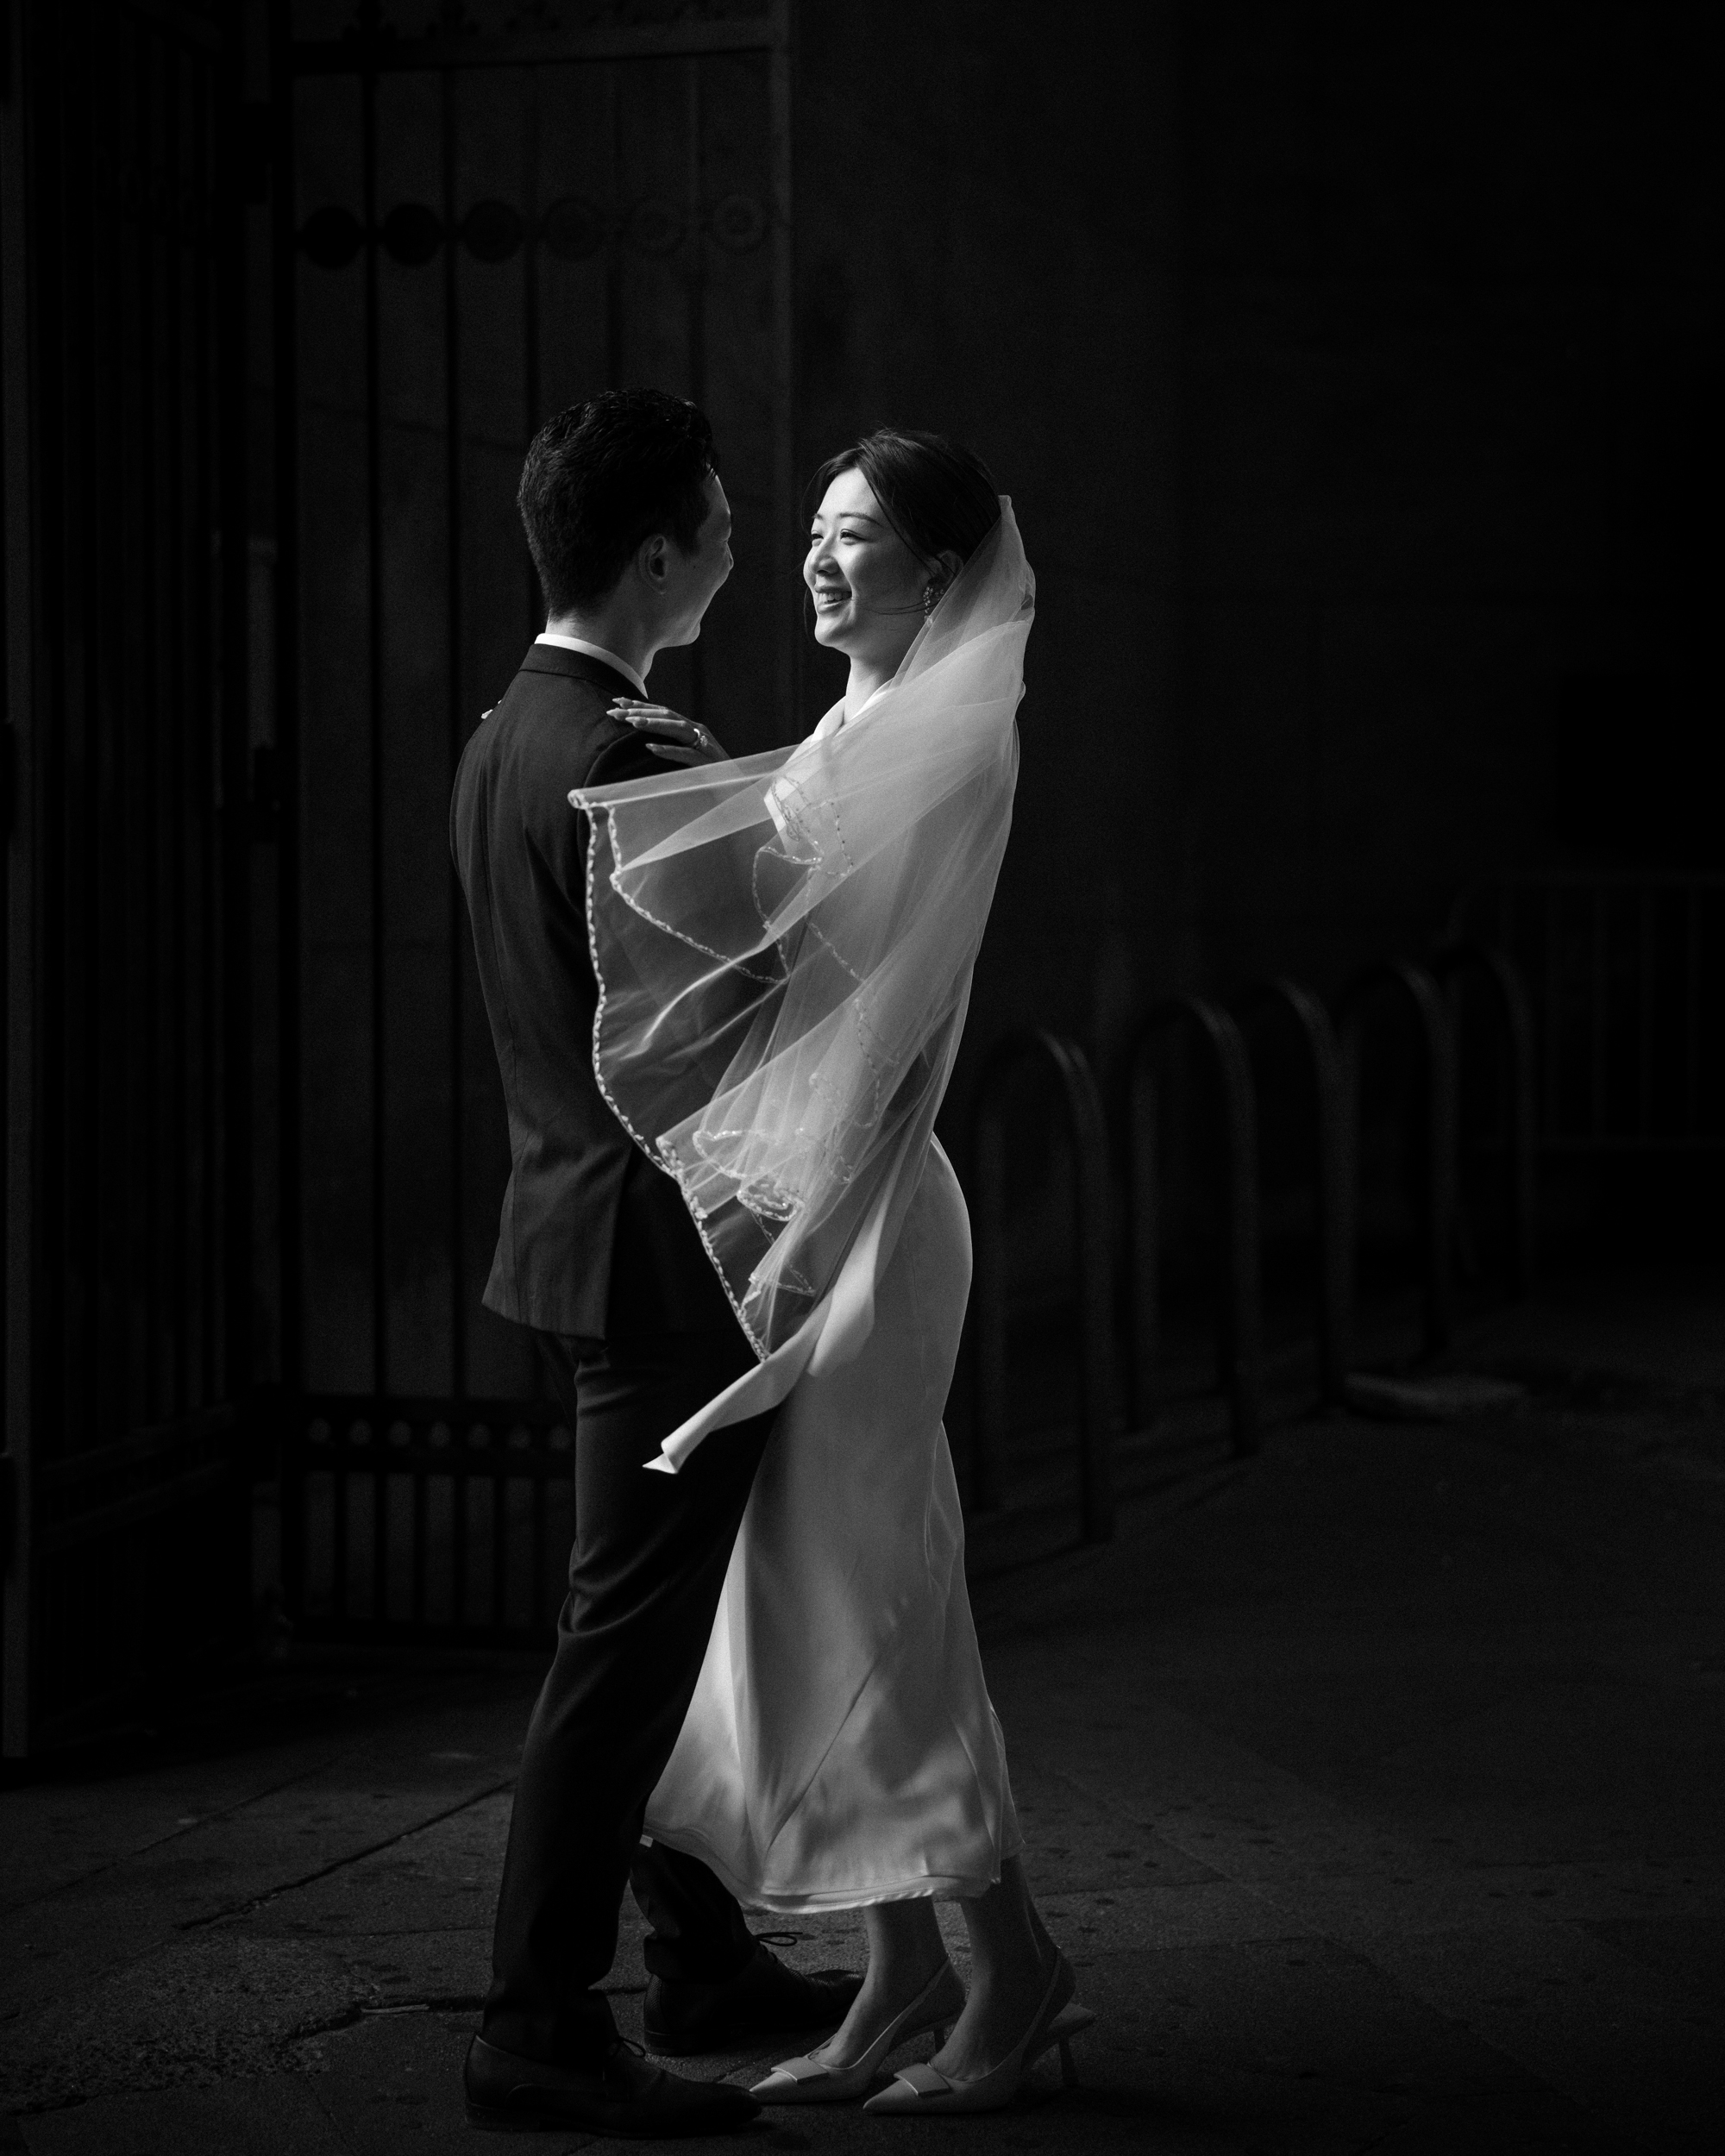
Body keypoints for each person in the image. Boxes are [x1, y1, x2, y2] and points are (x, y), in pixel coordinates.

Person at [581, 428, 1092, 2115]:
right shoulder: (869, 720)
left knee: (882, 1589)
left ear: (935, 576)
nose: (814, 558)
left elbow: (848, 1002)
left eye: (851, 537)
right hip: (824, 1189)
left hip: (865, 1202)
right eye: (804, 530)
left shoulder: (939, 740)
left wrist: (799, 1241)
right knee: (813, 1595)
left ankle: (1006, 1965)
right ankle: (903, 1970)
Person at [450, 389, 860, 2138]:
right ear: (654, 555)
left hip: (572, 1226)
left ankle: (695, 1950)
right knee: (623, 1646)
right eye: (720, 519)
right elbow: (743, 998)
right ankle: (535, 2020)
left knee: (663, 1632)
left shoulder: (503, 735)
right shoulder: (624, 752)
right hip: (658, 1250)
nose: (746, 546)